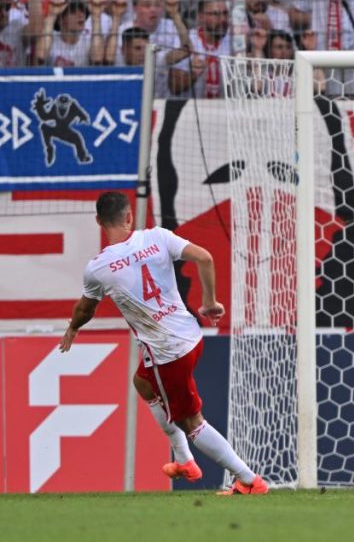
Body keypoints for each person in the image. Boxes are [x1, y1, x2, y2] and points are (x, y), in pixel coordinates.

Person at [59, 191, 268, 495]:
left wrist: (73, 329)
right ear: (129, 216)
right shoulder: (158, 237)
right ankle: (185, 462)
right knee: (143, 384)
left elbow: (85, 309)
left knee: (193, 424)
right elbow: (205, 257)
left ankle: (249, 481)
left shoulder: (98, 267)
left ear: (98, 222)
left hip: (167, 352)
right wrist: (209, 302)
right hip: (191, 335)